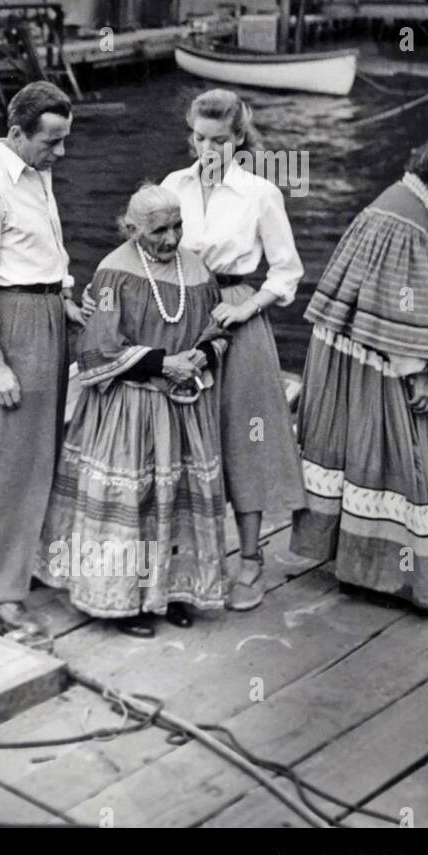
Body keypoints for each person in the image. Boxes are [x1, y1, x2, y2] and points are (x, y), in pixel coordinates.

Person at [39, 185, 231, 637]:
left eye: (177, 226)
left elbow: (217, 327)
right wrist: (165, 363)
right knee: (135, 499)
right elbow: (98, 350)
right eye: (158, 230)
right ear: (132, 229)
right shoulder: (112, 273)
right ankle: (124, 601)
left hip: (185, 404)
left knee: (179, 499)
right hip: (130, 405)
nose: (171, 238)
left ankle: (175, 590)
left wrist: (203, 355)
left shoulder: (198, 269)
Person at [293, 135, 428, 611]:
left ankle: (360, 567)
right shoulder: (406, 222)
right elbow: (397, 306)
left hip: (358, 355)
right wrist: (419, 375)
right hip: (385, 363)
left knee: (363, 465)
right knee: (396, 466)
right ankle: (387, 576)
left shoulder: (405, 204)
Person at [159, 89, 306, 610]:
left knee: (244, 436)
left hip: (237, 314)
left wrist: (246, 308)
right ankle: (188, 556)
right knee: (181, 435)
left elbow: (287, 270)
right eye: (199, 138)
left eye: (219, 140)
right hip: (180, 312)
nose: (207, 149)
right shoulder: (171, 186)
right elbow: (147, 250)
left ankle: (249, 560)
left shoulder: (260, 193)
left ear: (238, 139)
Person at [0, 80, 86, 637]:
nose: (60, 152)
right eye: (51, 141)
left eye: (64, 140)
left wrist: (68, 298)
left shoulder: (39, 176)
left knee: (48, 448)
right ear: (16, 134)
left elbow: (44, 250)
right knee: (13, 460)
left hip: (50, 311)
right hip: (16, 322)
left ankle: (30, 564)